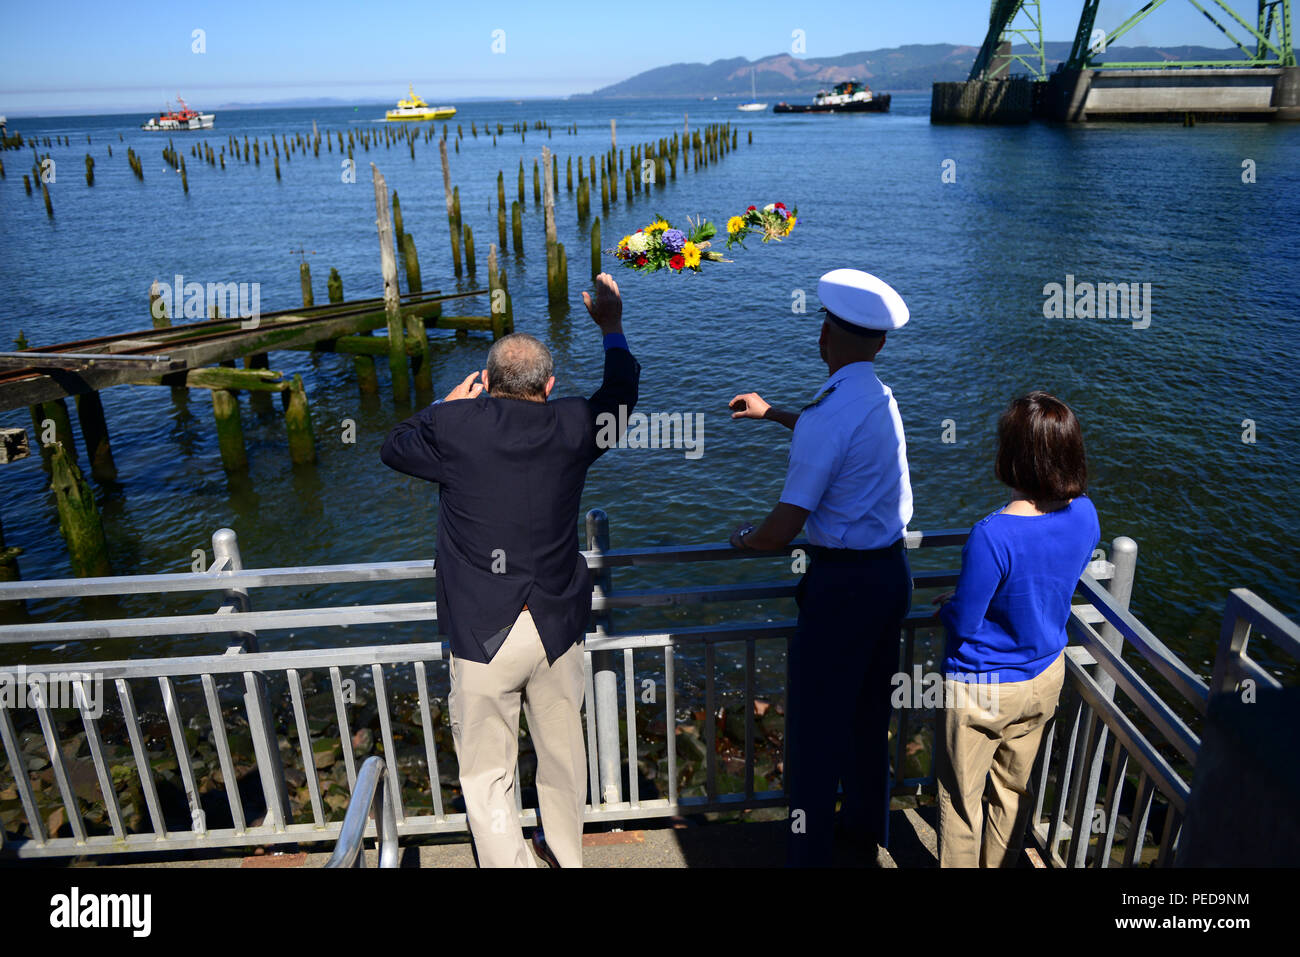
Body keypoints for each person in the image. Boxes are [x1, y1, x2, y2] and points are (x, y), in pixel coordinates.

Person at [379, 273, 639, 868]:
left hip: (481, 631)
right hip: (555, 623)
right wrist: (612, 327)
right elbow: (621, 394)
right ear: (549, 385)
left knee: (488, 771)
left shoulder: (455, 427)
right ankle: (568, 858)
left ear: (486, 384)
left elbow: (394, 446)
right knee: (564, 757)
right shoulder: (575, 424)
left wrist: (448, 403)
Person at [728, 268, 914, 867]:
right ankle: (866, 835)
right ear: (880, 344)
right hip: (890, 577)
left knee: (813, 728)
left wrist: (747, 540)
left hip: (841, 587)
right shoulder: (882, 399)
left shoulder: (832, 414)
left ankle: (807, 854)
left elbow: (783, 526)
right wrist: (774, 413)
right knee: (869, 716)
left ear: (823, 338)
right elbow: (833, 433)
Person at [934, 391, 1100, 868]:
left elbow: (967, 623)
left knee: (962, 801)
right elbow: (1047, 582)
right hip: (1045, 674)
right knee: (1014, 791)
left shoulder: (993, 534)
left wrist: (951, 607)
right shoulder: (1085, 513)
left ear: (1012, 455)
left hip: (982, 684)